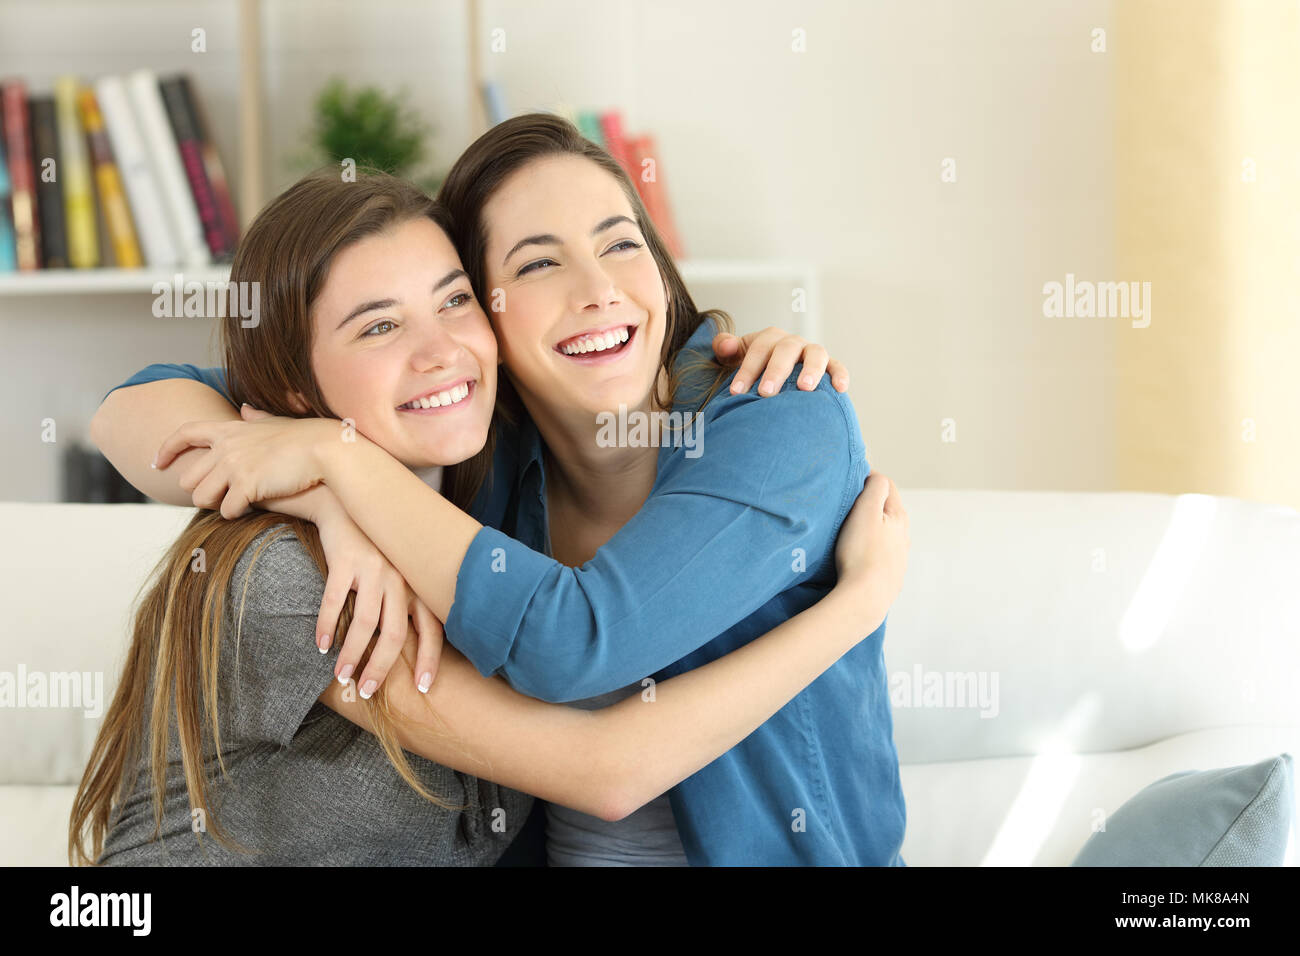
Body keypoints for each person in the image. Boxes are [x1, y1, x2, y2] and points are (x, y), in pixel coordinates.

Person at [93, 116, 910, 865]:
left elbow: (573, 645)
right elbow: (138, 402)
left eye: (621, 244)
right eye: (539, 262)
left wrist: (332, 464)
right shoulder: (333, 562)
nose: (597, 289)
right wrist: (328, 485)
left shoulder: (767, 417)